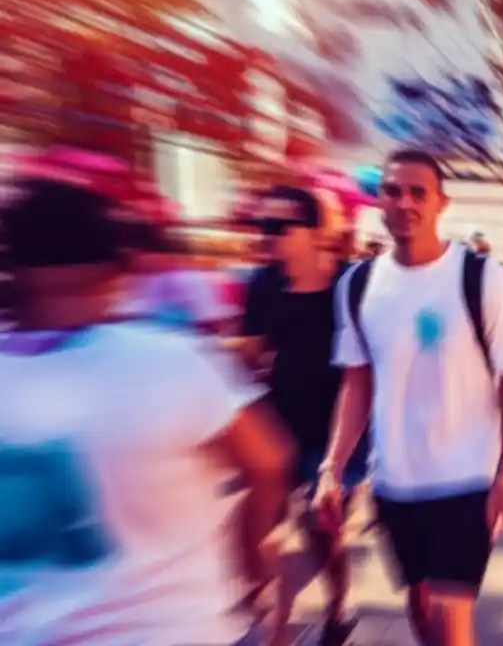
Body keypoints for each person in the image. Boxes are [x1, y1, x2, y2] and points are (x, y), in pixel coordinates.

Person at [0, 179, 293, 645]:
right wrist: (251, 559)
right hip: (176, 629)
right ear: (113, 268)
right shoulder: (171, 362)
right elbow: (266, 459)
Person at [315, 149, 503, 646]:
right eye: (393, 191)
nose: (405, 202)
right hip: (394, 482)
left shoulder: (479, 277)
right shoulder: (357, 286)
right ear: (380, 201)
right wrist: (332, 466)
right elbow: (356, 382)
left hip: (466, 479)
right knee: (420, 610)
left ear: (441, 203)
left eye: (419, 192)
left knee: (452, 618)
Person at [235, 185, 370, 643]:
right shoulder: (263, 284)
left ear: (315, 232)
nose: (267, 235)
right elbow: (250, 354)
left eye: (279, 226)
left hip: (340, 430)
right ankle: (273, 627)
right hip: (282, 422)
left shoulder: (352, 284)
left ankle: (338, 603)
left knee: (320, 528)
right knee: (262, 529)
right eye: (262, 225)